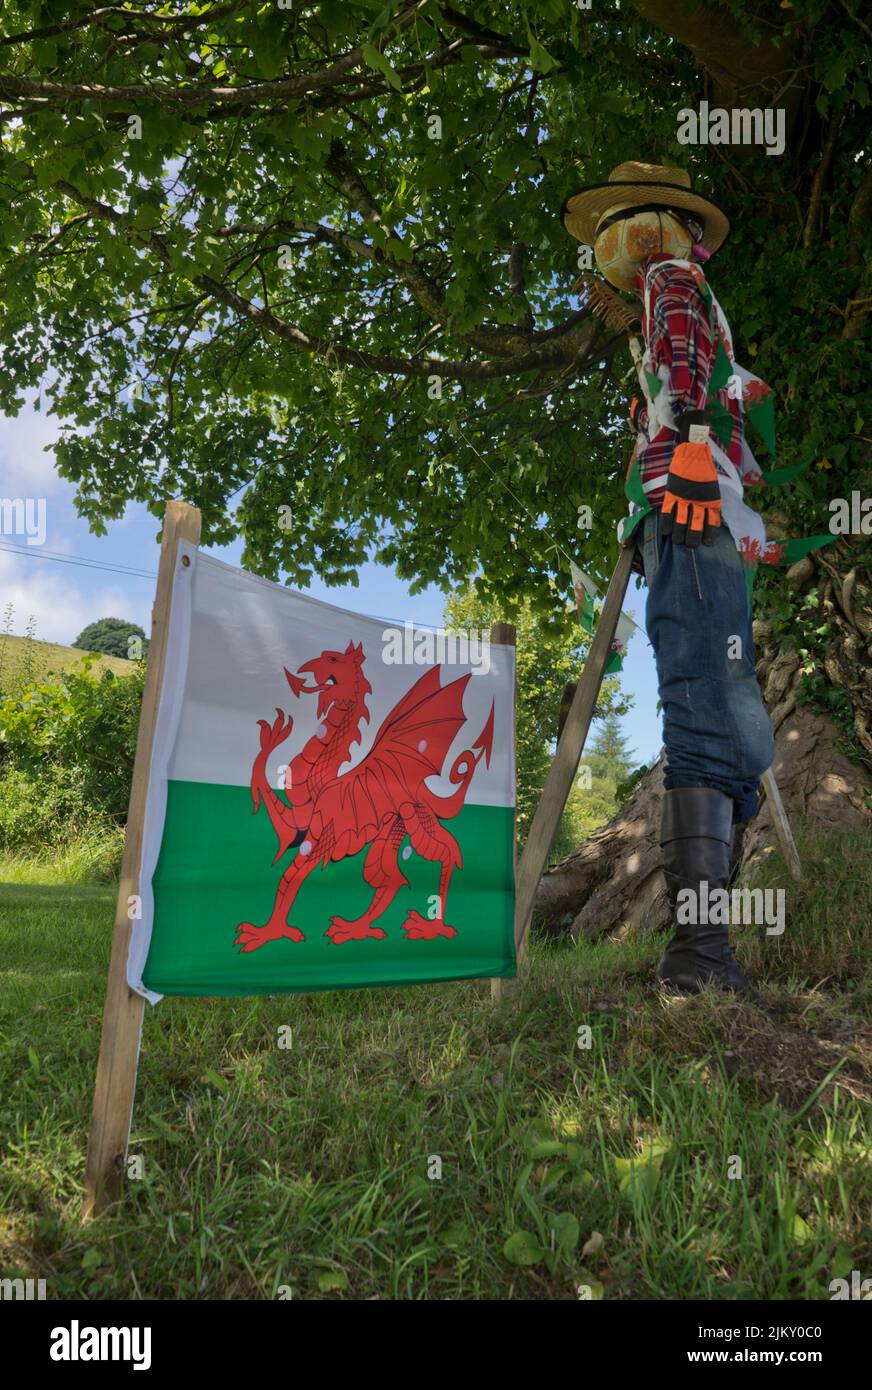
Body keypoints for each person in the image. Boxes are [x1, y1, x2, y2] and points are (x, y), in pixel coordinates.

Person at [562, 162, 775, 994]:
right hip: (693, 505)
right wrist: (688, 438)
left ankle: (703, 948)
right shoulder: (676, 280)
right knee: (702, 695)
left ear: (645, 229)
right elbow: (681, 362)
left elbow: (680, 358)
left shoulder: (670, 281)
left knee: (722, 708)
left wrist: (686, 433)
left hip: (696, 501)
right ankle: (697, 954)